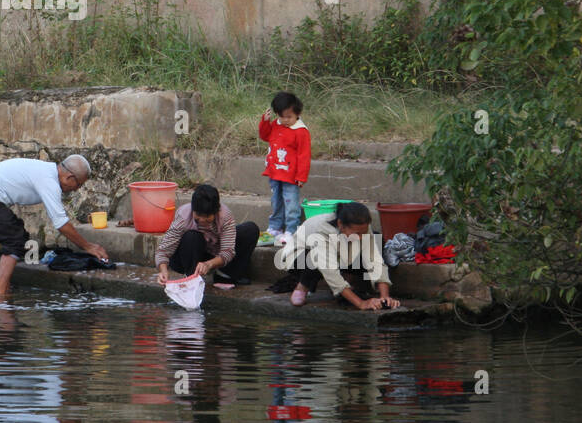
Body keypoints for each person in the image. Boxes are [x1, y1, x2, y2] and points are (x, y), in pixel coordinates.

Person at [0, 154, 107, 298]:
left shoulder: (47, 173)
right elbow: (61, 224)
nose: (76, 189)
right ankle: (0, 296)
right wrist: (88, 246)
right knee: (15, 239)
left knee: (17, 236)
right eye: (79, 185)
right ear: (69, 177)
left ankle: (4, 290)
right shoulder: (49, 181)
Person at [282, 201, 400, 310]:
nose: (360, 236)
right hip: (299, 259)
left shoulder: (362, 226)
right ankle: (302, 286)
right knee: (315, 258)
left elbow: (375, 260)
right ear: (340, 224)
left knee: (376, 238)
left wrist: (385, 297)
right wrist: (361, 303)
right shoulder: (322, 229)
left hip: (337, 255)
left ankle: (347, 282)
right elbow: (330, 271)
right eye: (357, 233)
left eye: (362, 233)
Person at [156, 184, 259, 286]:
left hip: (214, 256)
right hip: (188, 255)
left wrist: (209, 264)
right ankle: (191, 278)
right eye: (198, 215)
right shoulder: (184, 215)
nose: (202, 220)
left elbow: (228, 252)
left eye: (207, 216)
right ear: (193, 209)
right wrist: (163, 270)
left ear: (216, 212)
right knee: (192, 236)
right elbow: (164, 250)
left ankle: (224, 276)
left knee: (250, 229)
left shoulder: (225, 216)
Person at [259, 91, 311, 245]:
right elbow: (264, 135)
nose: (285, 120)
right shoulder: (276, 124)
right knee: (276, 201)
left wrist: (301, 176)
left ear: (298, 114)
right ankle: (275, 227)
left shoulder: (301, 131)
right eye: (282, 116)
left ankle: (291, 229)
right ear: (277, 114)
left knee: (291, 204)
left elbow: (304, 155)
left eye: (289, 117)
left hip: (291, 176)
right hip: (275, 173)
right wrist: (265, 121)